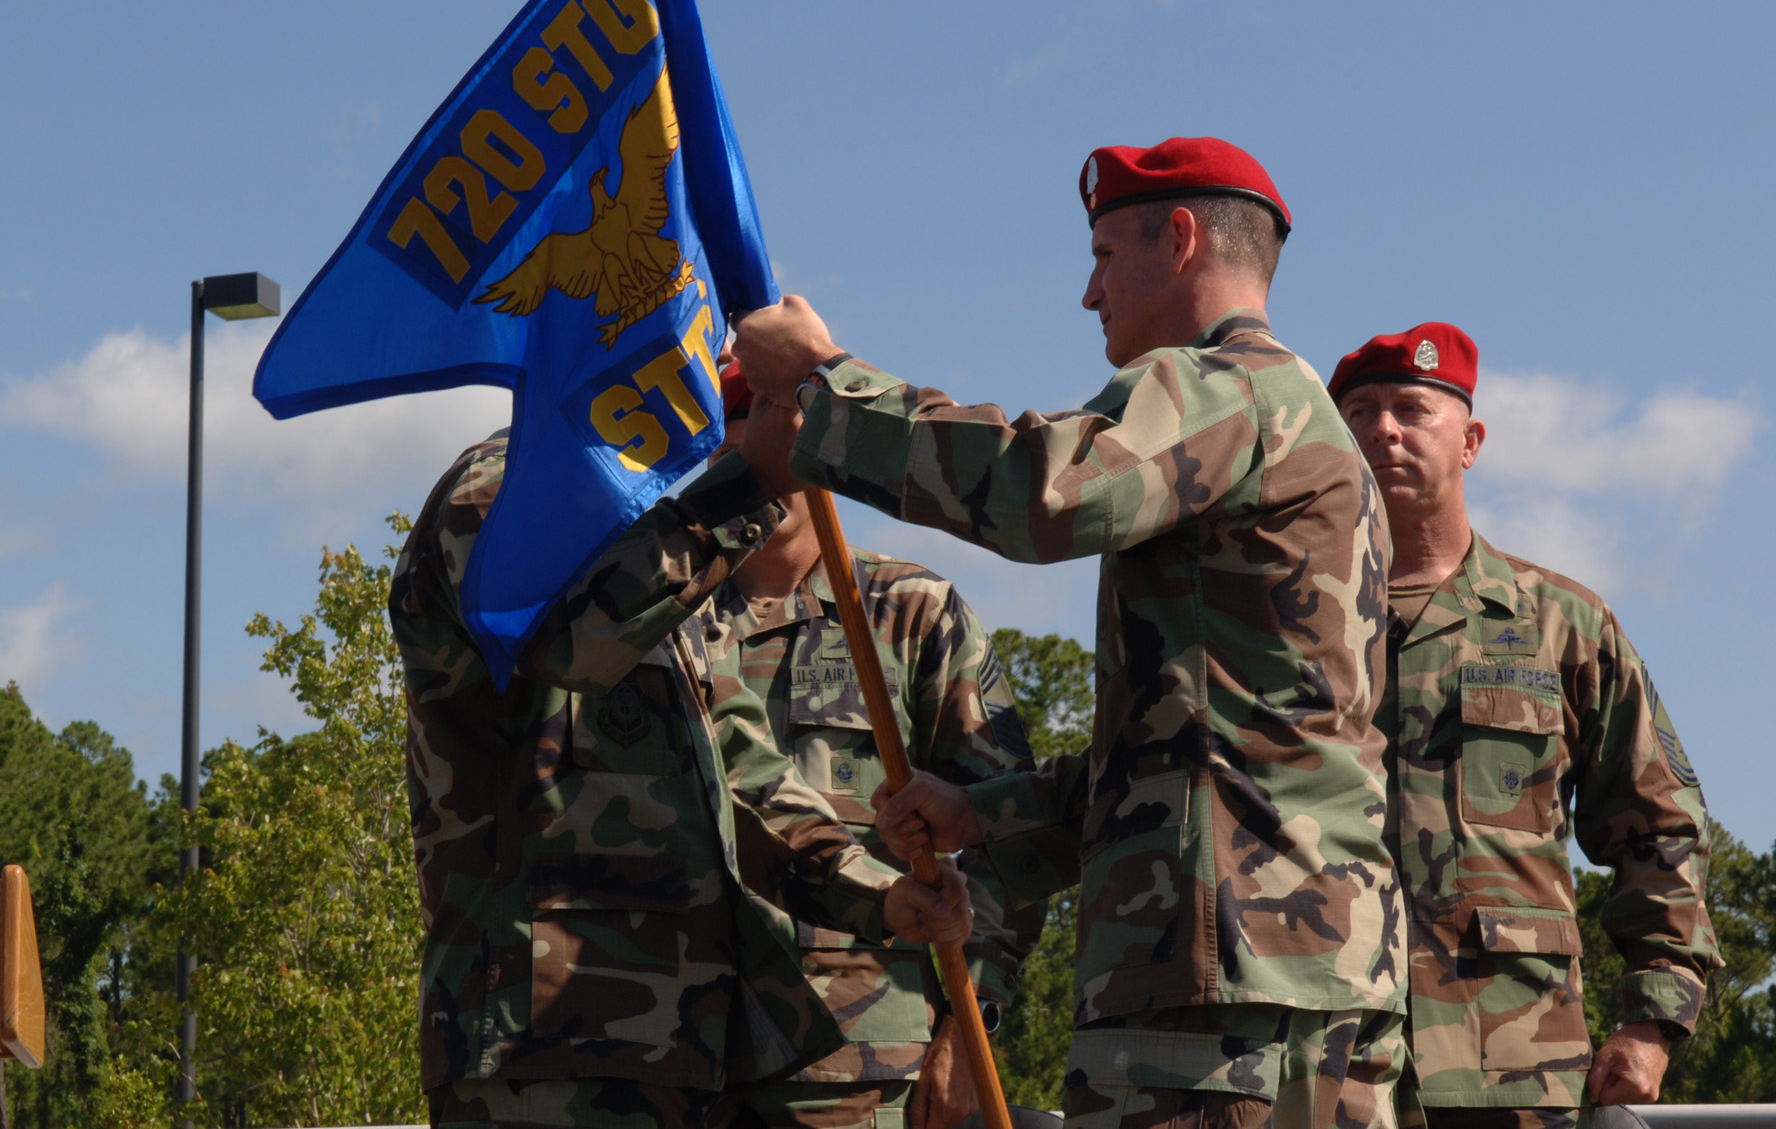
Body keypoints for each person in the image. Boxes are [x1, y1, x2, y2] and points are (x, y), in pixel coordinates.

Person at [732, 136, 1403, 1129]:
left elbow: (1040, 493)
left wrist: (829, 383)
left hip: (1226, 992)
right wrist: (983, 812)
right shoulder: (1298, 423)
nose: (1089, 294)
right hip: (1298, 976)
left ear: (1179, 239)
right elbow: (1206, 754)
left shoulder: (1223, 388)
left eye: (1101, 256)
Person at [390, 390, 973, 1129]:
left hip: (680, 1054)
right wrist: (751, 482)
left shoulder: (652, 548)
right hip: (533, 1047)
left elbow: (746, 775)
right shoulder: (495, 491)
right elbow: (572, 642)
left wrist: (885, 898)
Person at [1327, 322, 1722, 1128]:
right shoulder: (1282, 624)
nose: (1383, 430)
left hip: (1512, 1070)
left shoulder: (1561, 624)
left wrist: (1652, 1021)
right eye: (1360, 413)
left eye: (1411, 408)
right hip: (1321, 1064)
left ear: (1469, 441)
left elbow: (1662, 824)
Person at [699, 366, 1044, 1129]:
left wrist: (969, 1021)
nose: (753, 479)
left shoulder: (909, 614)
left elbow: (1005, 833)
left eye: (772, 451)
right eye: (731, 455)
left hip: (857, 1063)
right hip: (680, 1049)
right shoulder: (666, 622)